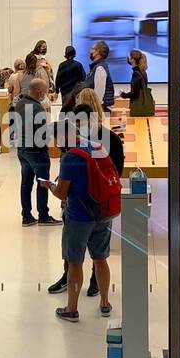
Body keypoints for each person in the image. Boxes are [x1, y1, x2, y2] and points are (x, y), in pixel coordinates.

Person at [47, 90, 124, 298]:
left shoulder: (74, 142)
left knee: (73, 253)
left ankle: (69, 284)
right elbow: (118, 171)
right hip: (104, 204)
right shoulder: (111, 139)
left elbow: (66, 178)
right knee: (100, 255)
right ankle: (96, 286)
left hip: (77, 205)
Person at [15, 77, 60, 227]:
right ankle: (43, 215)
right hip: (36, 150)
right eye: (45, 92)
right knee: (42, 182)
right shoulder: (37, 108)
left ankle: (26, 216)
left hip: (22, 148)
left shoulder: (20, 103)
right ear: (40, 92)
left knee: (25, 183)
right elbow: (41, 133)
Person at [120, 49, 153, 117]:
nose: (128, 57)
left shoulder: (136, 74)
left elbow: (135, 94)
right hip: (144, 106)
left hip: (138, 107)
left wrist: (124, 95)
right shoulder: (143, 72)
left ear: (133, 60)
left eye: (129, 56)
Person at [54, 45, 86, 112]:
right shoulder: (78, 65)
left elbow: (58, 79)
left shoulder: (62, 65)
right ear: (74, 53)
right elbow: (83, 78)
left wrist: (56, 91)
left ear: (66, 54)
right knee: (75, 110)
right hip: (76, 92)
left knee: (65, 110)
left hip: (65, 92)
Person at [84, 40, 115, 111]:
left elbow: (98, 94)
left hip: (100, 109)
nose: (90, 51)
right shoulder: (97, 67)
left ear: (97, 52)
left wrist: (93, 110)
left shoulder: (100, 68)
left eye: (92, 49)